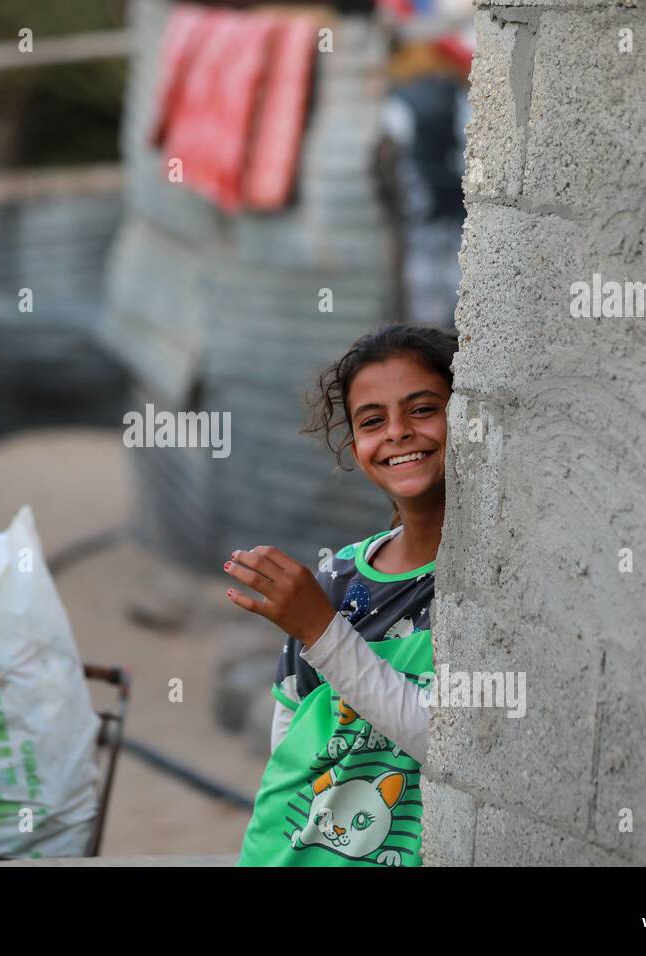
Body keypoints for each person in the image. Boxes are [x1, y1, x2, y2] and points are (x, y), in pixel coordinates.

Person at [227, 324, 456, 867]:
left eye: (423, 409)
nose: (398, 432)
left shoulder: (491, 587)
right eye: (373, 421)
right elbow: (290, 743)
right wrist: (315, 626)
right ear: (355, 450)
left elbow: (453, 750)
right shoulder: (338, 578)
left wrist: (324, 634)